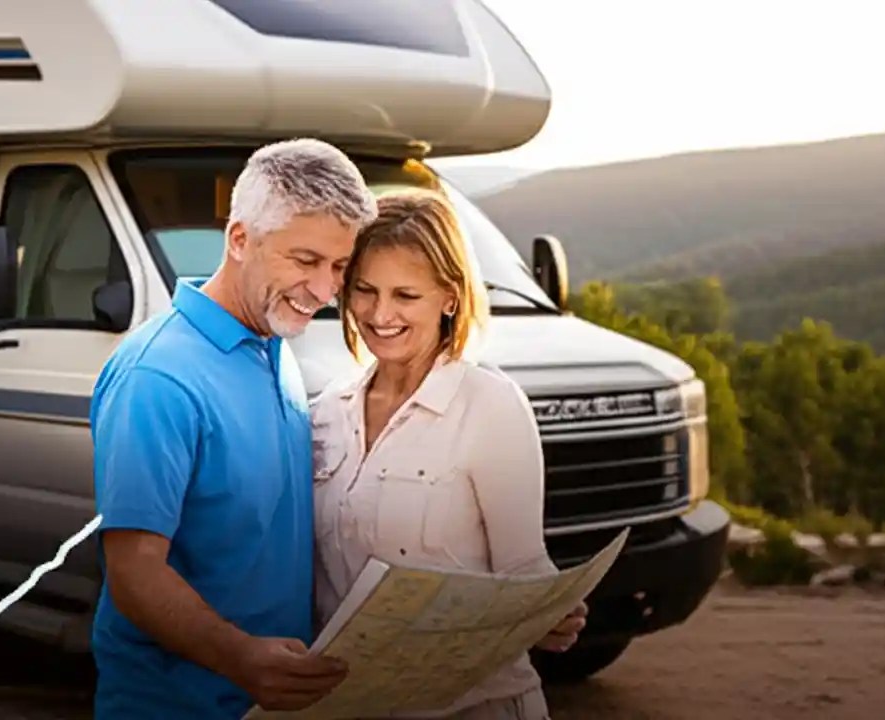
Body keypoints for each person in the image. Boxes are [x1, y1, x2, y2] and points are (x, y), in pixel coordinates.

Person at [88, 138, 379, 719]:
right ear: (239, 240)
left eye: (340, 267)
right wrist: (243, 658)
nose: (325, 292)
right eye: (305, 260)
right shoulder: (158, 377)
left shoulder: (273, 345)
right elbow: (134, 571)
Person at [310, 187, 587, 719]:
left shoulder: (490, 404)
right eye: (364, 290)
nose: (379, 314)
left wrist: (552, 610)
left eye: (405, 296)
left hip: (474, 707)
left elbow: (523, 563)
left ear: (451, 297)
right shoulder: (326, 412)